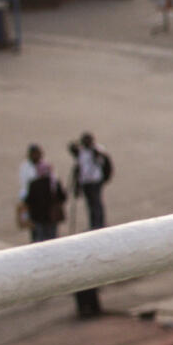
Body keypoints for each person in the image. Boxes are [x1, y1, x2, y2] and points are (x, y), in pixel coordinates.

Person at [68, 132, 114, 316]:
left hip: (95, 181)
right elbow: (75, 158)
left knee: (97, 206)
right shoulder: (82, 152)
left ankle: (98, 224)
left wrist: (103, 176)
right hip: (87, 182)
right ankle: (95, 224)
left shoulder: (97, 151)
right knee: (91, 206)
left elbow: (107, 164)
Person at [19, 145, 67, 244]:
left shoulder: (35, 184)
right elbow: (63, 196)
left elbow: (29, 199)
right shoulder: (53, 182)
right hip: (49, 216)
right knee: (52, 240)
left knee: (40, 241)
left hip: (39, 216)